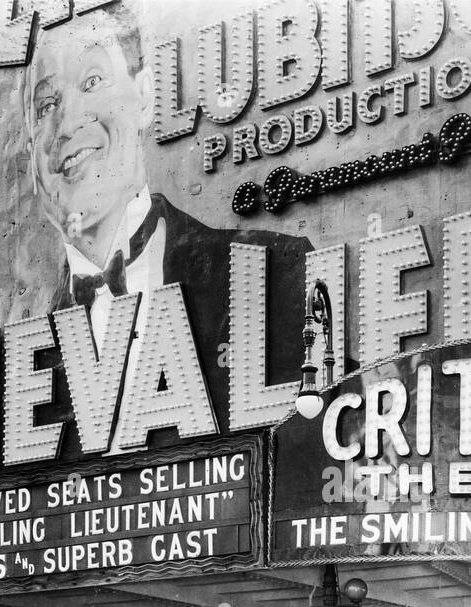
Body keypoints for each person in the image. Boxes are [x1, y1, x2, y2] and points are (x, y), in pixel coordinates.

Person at [25, 4, 308, 423]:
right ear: (29, 151)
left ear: (143, 94)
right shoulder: (16, 370)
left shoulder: (278, 272)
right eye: (46, 105)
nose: (66, 124)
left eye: (92, 81)